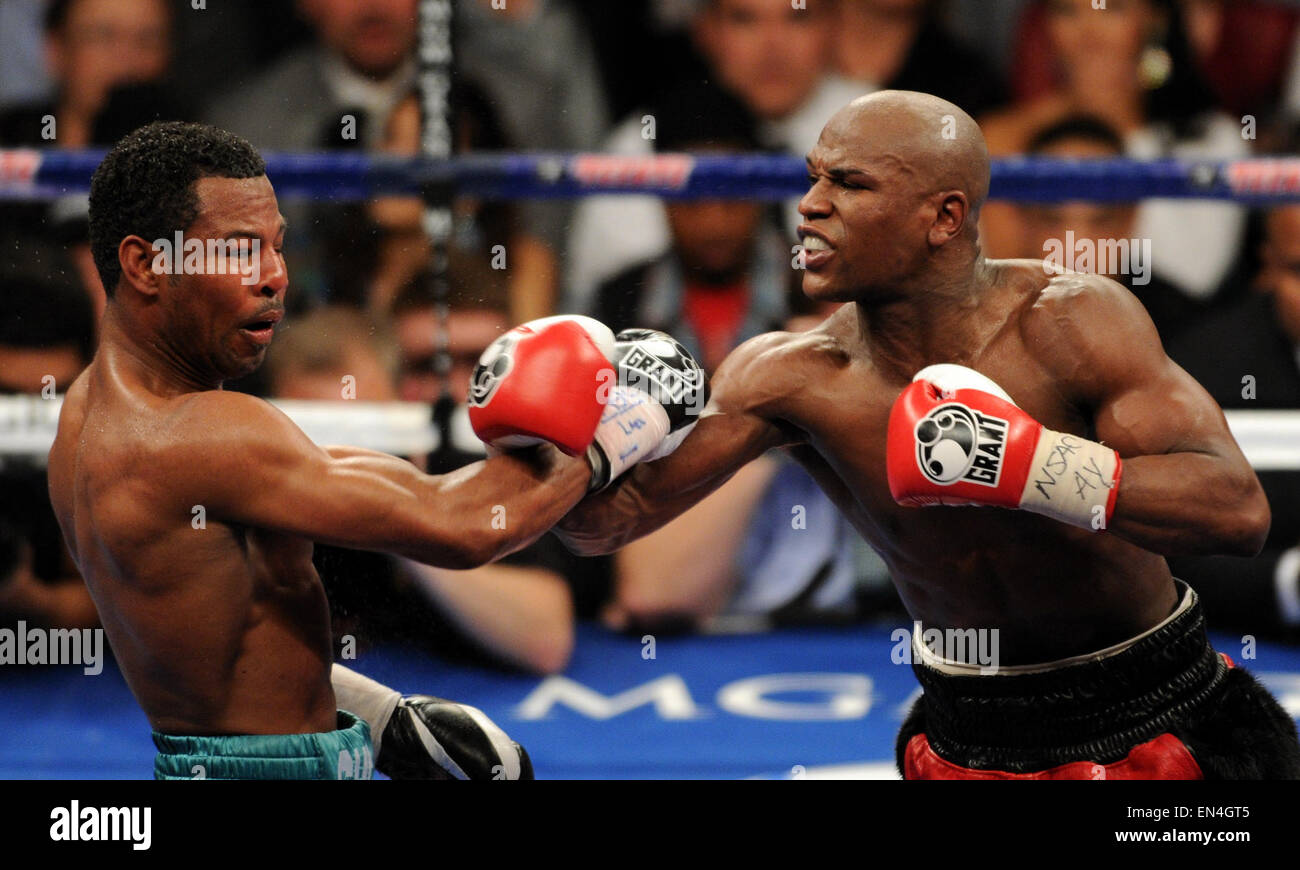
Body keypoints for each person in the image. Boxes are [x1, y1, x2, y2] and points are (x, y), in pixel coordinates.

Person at [555, 90, 1300, 780]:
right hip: (959, 733)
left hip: (1154, 716)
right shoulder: (789, 376)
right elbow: (602, 526)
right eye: (813, 179)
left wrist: (1032, 465)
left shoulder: (1071, 320)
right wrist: (565, 437)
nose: (808, 208)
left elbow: (1237, 512)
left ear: (944, 217)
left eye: (848, 184)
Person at [47, 121, 690, 779]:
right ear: (146, 264)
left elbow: (201, 649)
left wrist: (382, 719)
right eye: (239, 251)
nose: (274, 277)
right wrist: (617, 427)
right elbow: (463, 527)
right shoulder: (202, 435)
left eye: (277, 245)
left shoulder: (85, 415)